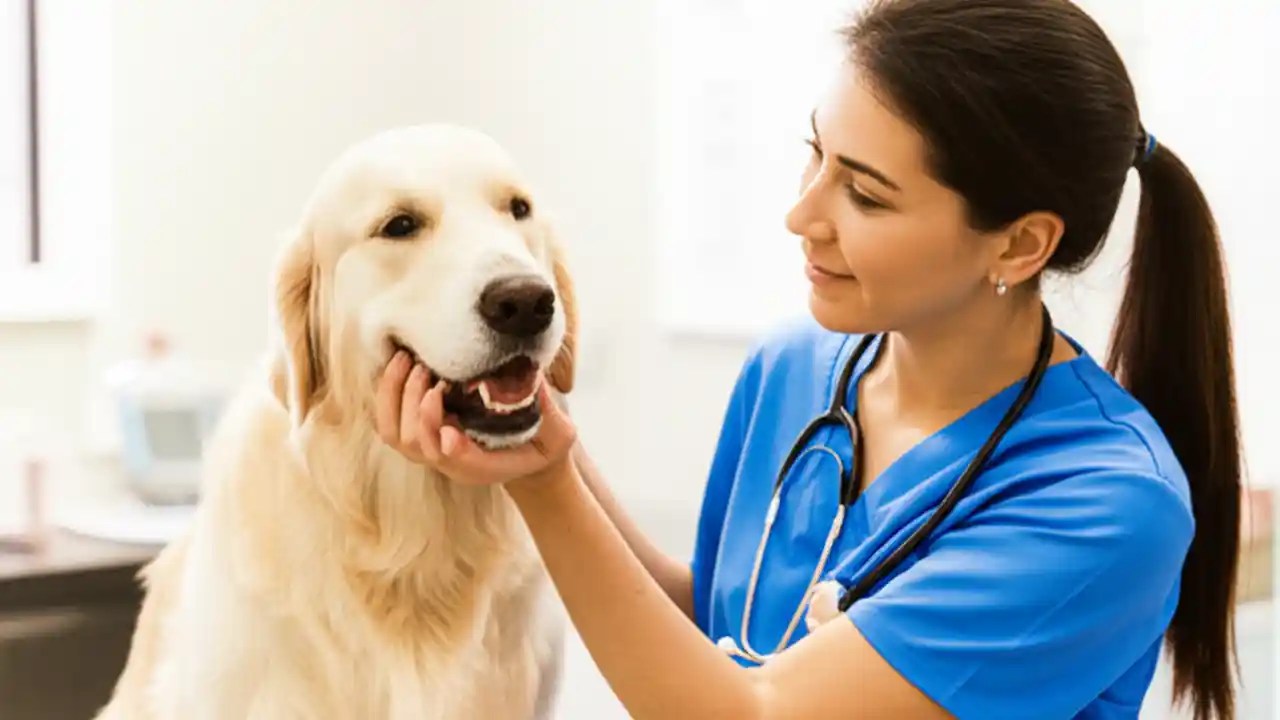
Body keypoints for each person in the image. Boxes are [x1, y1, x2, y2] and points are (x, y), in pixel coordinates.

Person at [376, 0, 1242, 717]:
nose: (803, 214)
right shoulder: (796, 366)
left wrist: (545, 484)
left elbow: (752, 713)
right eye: (815, 154)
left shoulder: (1104, 502)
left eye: (864, 192)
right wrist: (536, 447)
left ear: (1019, 246)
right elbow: (718, 633)